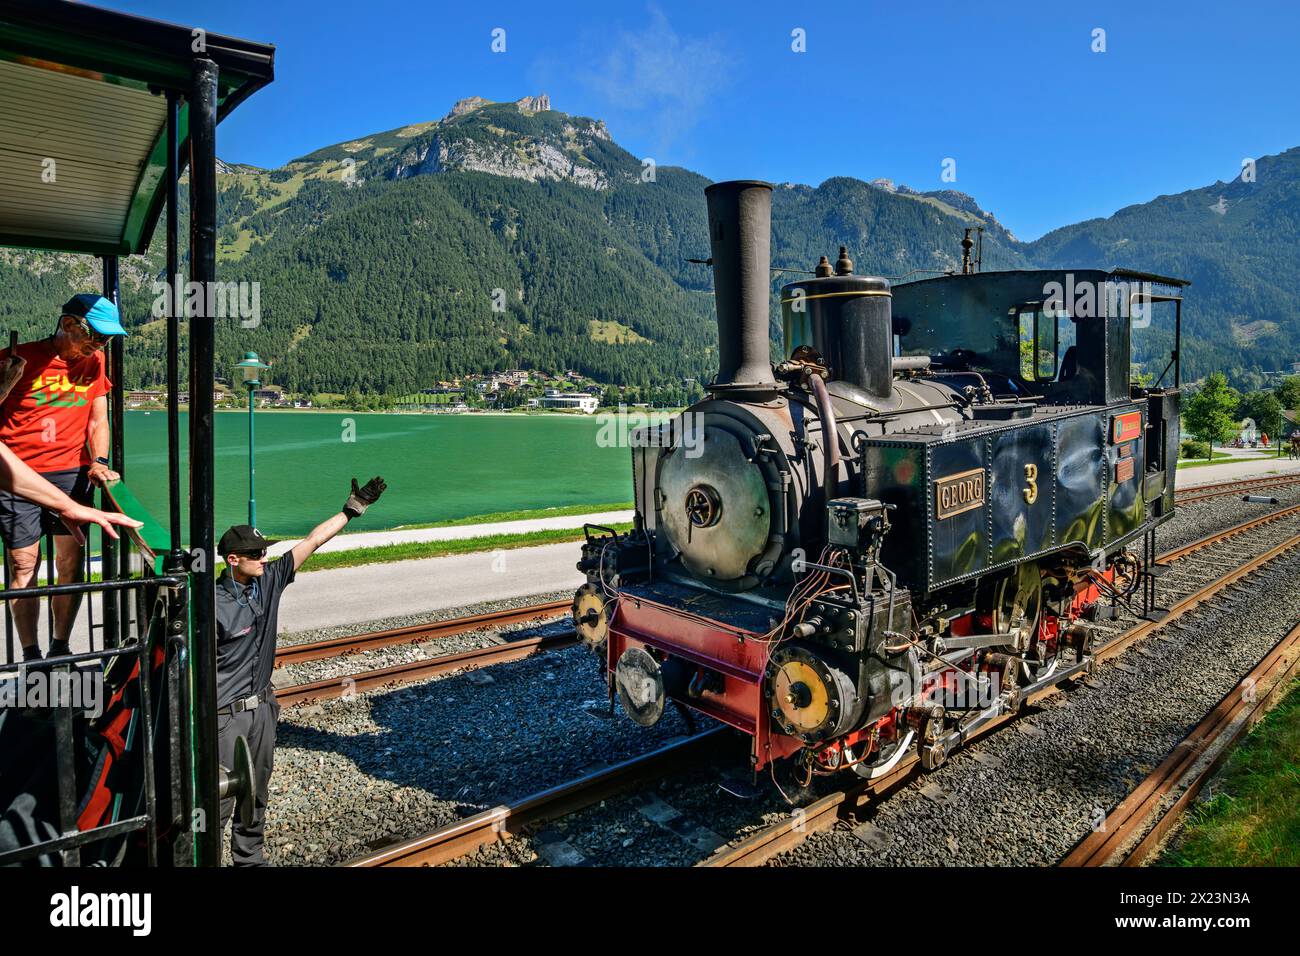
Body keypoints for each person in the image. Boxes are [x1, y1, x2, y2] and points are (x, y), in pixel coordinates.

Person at [216, 476, 387, 866]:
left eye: (264, 552)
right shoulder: (211, 605)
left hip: (261, 710)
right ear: (232, 560)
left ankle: (249, 861)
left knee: (256, 793)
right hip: (225, 719)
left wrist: (352, 509)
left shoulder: (269, 582)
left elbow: (311, 541)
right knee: (220, 799)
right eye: (255, 554)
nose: (263, 557)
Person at [0, 294, 128, 661]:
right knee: (25, 564)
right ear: (69, 324)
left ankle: (60, 648)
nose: (100, 345)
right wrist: (6, 383)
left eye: (106, 340)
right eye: (96, 336)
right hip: (14, 474)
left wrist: (99, 460)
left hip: (70, 474)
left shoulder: (96, 362)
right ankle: (31, 656)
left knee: (70, 564)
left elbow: (97, 419)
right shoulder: (18, 358)